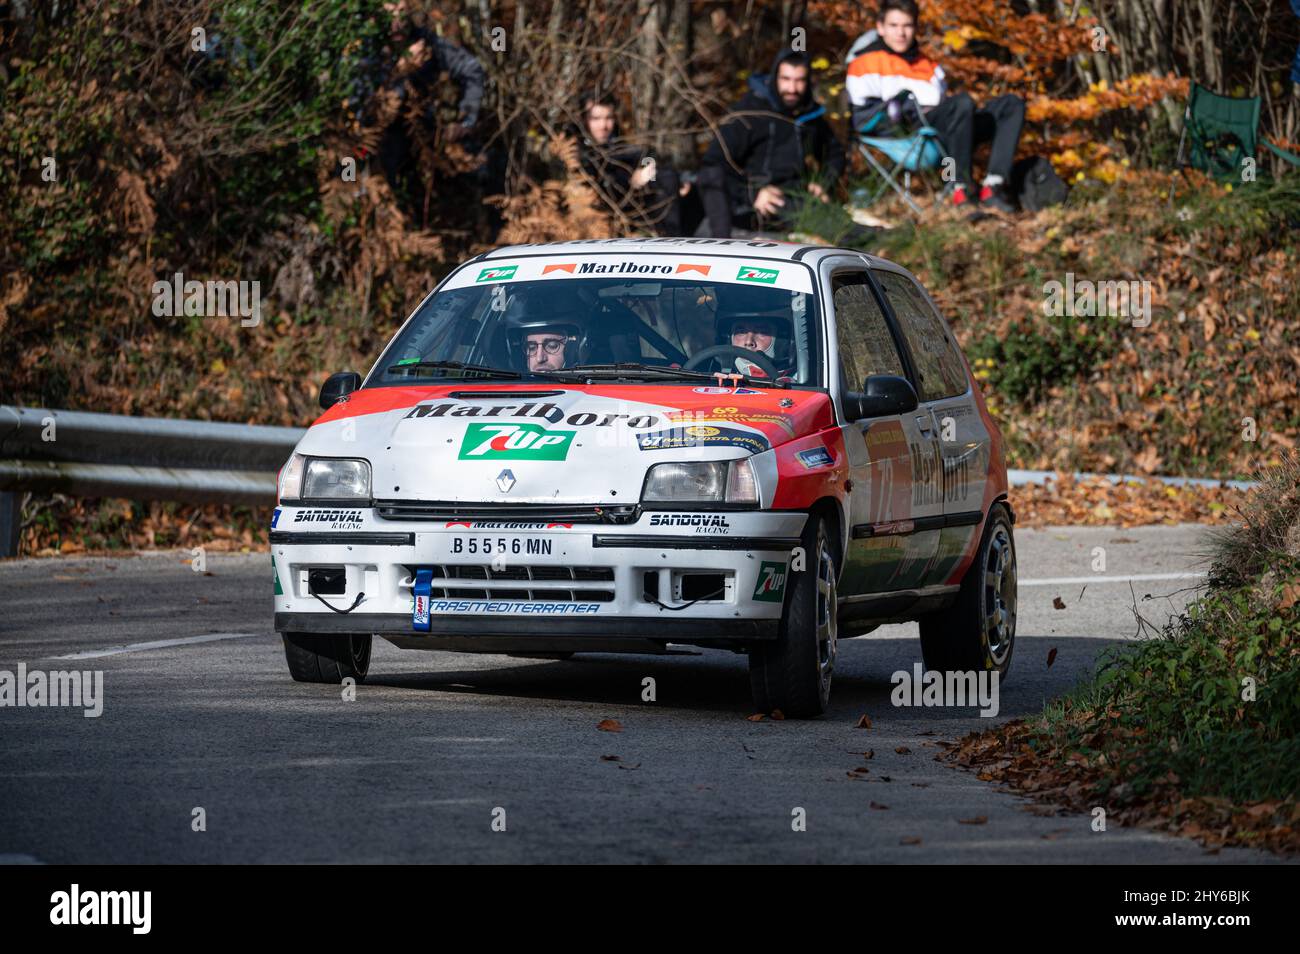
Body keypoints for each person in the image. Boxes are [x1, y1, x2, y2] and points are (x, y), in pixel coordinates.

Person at [846, 0, 1024, 212]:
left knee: (1010, 104)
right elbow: (862, 118)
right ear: (880, 27)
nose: (901, 33)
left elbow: (943, 102)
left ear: (915, 27)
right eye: (894, 26)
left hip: (947, 126)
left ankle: (994, 184)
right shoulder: (865, 63)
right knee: (962, 103)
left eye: (907, 25)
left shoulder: (929, 65)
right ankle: (962, 186)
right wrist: (902, 110)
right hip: (909, 131)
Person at [350, 2, 486, 210]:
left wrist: (465, 119)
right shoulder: (367, 48)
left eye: (401, 14)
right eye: (390, 15)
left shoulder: (425, 41)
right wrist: (399, 72)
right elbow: (364, 109)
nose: (396, 23)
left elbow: (472, 69)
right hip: (375, 144)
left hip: (422, 138)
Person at [699, 48, 846, 237]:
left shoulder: (810, 116)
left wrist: (823, 183)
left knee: (840, 227)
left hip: (792, 197)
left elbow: (835, 154)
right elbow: (713, 165)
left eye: (799, 80)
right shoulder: (749, 112)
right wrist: (753, 194)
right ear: (775, 78)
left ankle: (881, 240)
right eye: (786, 79)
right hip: (748, 201)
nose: (792, 89)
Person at [575, 91, 695, 236]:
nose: (603, 125)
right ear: (584, 120)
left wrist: (645, 168)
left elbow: (646, 156)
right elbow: (604, 185)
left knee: (668, 177)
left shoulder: (615, 145)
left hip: (642, 197)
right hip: (614, 213)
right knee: (667, 180)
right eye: (596, 119)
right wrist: (631, 182)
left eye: (609, 118)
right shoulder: (578, 151)